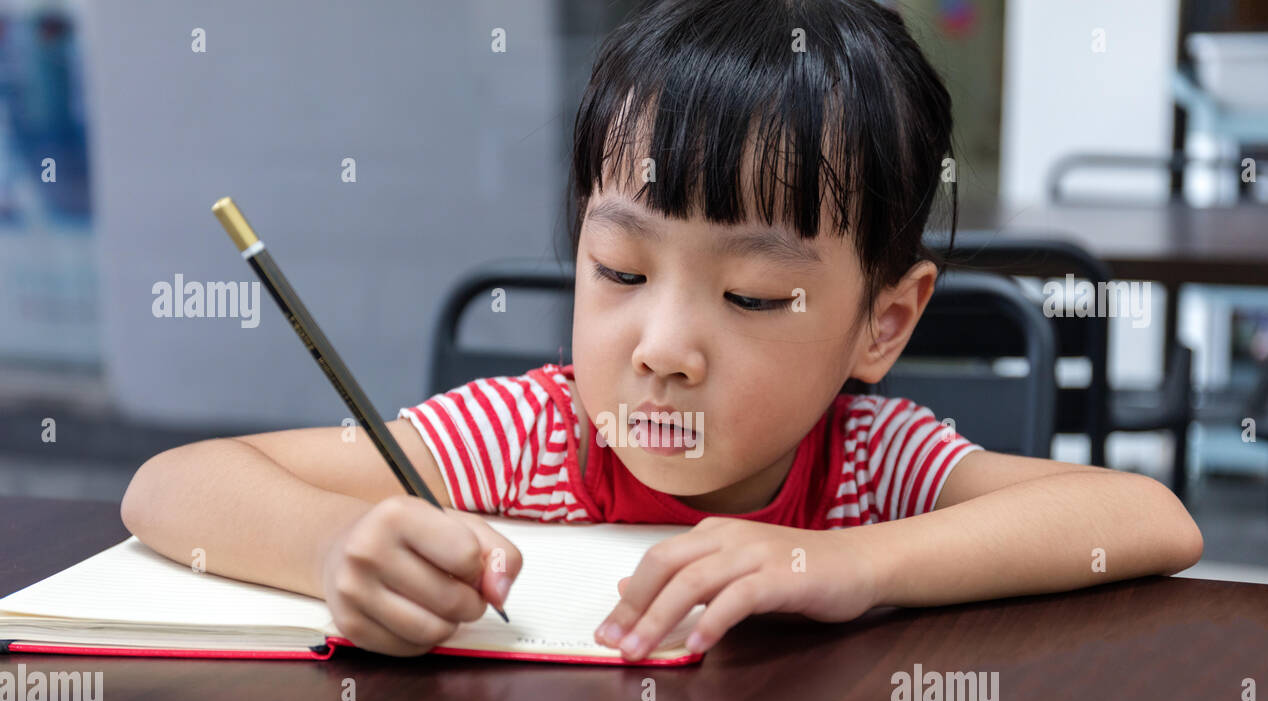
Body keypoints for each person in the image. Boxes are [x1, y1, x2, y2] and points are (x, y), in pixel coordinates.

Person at [121, 0, 1203, 661]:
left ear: (883, 323)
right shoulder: (527, 437)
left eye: (750, 297)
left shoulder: (867, 465)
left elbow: (1146, 518)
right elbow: (172, 483)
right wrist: (330, 549)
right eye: (622, 271)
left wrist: (852, 562)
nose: (664, 346)